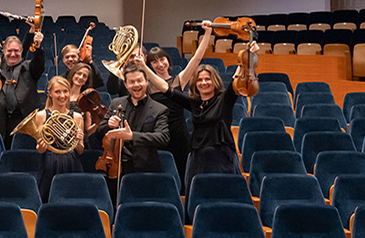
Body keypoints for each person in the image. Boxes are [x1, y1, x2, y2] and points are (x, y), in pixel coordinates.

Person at [144, 40, 257, 192]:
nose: (204, 82)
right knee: (197, 195)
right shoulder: (194, 103)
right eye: (200, 80)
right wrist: (143, 66)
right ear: (195, 84)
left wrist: (248, 56)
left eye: (207, 79)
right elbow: (166, 89)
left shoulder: (224, 99)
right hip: (197, 159)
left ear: (214, 81)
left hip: (221, 158)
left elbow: (235, 79)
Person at [146, 20, 216, 187]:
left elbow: (197, 58)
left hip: (180, 135)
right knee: (162, 178)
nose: (160, 64)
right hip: (158, 135)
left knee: (184, 176)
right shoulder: (146, 86)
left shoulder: (179, 80)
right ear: (150, 65)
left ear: (168, 61)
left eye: (162, 59)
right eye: (154, 61)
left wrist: (208, 33)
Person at [102, 61, 171, 201]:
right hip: (116, 167)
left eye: (139, 81)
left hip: (145, 168)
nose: (136, 85)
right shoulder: (116, 104)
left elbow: (163, 137)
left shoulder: (159, 109)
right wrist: (108, 125)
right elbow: (99, 132)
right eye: (131, 82)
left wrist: (132, 136)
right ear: (126, 85)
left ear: (147, 82)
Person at [26, 76, 85, 201]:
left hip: (71, 162)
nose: (62, 95)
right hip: (50, 162)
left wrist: (79, 140)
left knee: (73, 200)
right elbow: (40, 150)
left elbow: (80, 150)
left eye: (65, 91)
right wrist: (41, 146)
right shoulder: (41, 116)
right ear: (50, 93)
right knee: (48, 200)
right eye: (57, 92)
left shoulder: (77, 117)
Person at [0, 30, 46, 140]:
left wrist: (38, 47)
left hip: (26, 122)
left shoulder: (29, 68)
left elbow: (39, 64)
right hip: (4, 124)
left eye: (16, 51)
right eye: (9, 51)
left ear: (21, 51)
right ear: (4, 52)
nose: (13, 54)